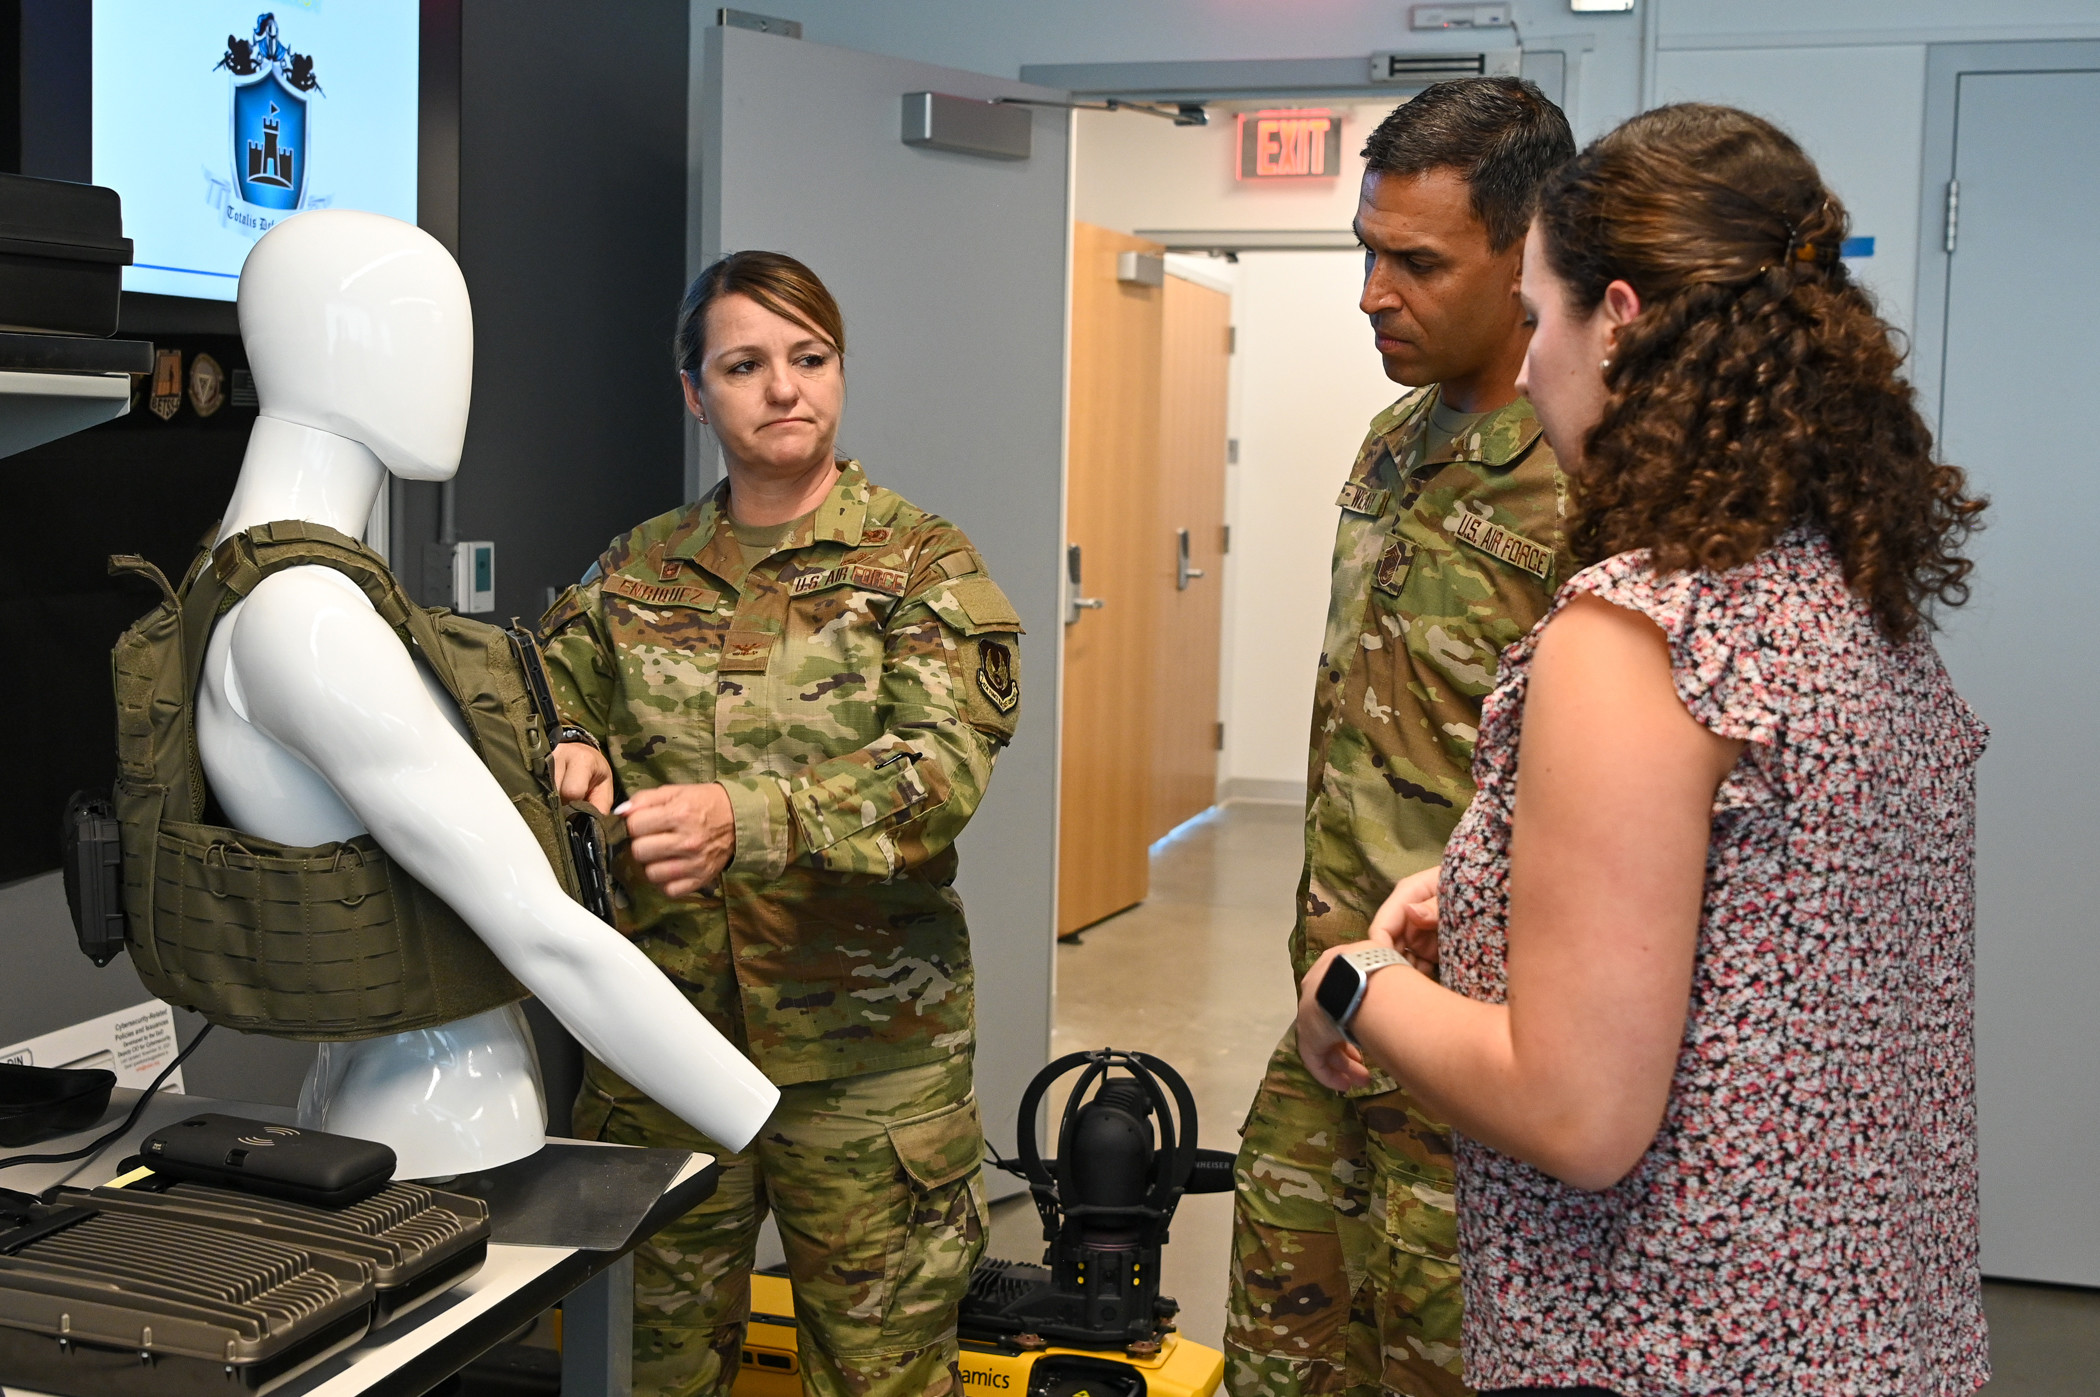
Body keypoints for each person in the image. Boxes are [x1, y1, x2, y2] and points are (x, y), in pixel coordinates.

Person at [1295, 104, 1990, 1396]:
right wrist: (1490, 891)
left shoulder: (1635, 634)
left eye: (1541, 314)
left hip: (1667, 1343)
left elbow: (1579, 1114)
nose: (1534, 351)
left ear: (1617, 318)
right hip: (1868, 1341)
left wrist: (1350, 983)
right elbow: (1777, 929)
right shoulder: (1841, 596)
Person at [538, 250, 1024, 1397]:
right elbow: (541, 684)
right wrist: (567, 742)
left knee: (880, 1375)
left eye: (810, 359)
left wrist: (744, 820)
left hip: (866, 1062)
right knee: (641, 1369)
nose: (785, 388)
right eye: (746, 364)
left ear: (840, 374)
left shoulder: (920, 564)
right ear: (696, 393)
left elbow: (941, 766)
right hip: (663, 1038)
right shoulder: (638, 567)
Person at [1226, 77, 1576, 1397]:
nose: (1374, 291)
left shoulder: (1580, 480)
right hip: (1332, 1016)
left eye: (1417, 262)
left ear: (1529, 254)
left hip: (1477, 1064)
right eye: (1366, 251)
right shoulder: (1392, 439)